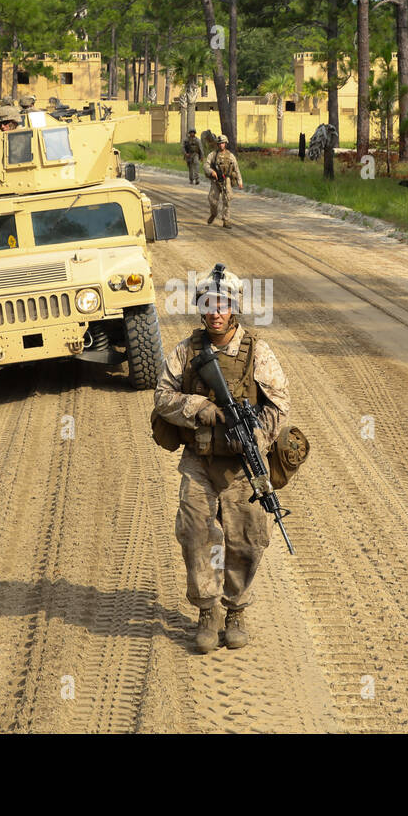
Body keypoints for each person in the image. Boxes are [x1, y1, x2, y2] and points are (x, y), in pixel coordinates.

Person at [153, 264, 289, 654]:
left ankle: (236, 609)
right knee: (195, 533)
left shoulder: (257, 352)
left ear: (234, 308)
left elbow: (279, 406)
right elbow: (162, 397)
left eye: (222, 304)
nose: (215, 312)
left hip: (242, 465)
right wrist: (199, 407)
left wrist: (254, 439)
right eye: (208, 304)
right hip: (199, 459)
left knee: (246, 539)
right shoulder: (186, 351)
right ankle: (207, 610)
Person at [205, 134, 243, 228]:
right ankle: (213, 214)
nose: (221, 145)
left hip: (227, 180)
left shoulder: (230, 156)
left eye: (223, 143)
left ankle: (226, 220)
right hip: (216, 180)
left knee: (227, 200)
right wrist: (211, 171)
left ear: (225, 144)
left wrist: (240, 181)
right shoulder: (212, 155)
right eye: (219, 143)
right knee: (212, 200)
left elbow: (236, 168)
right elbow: (206, 165)